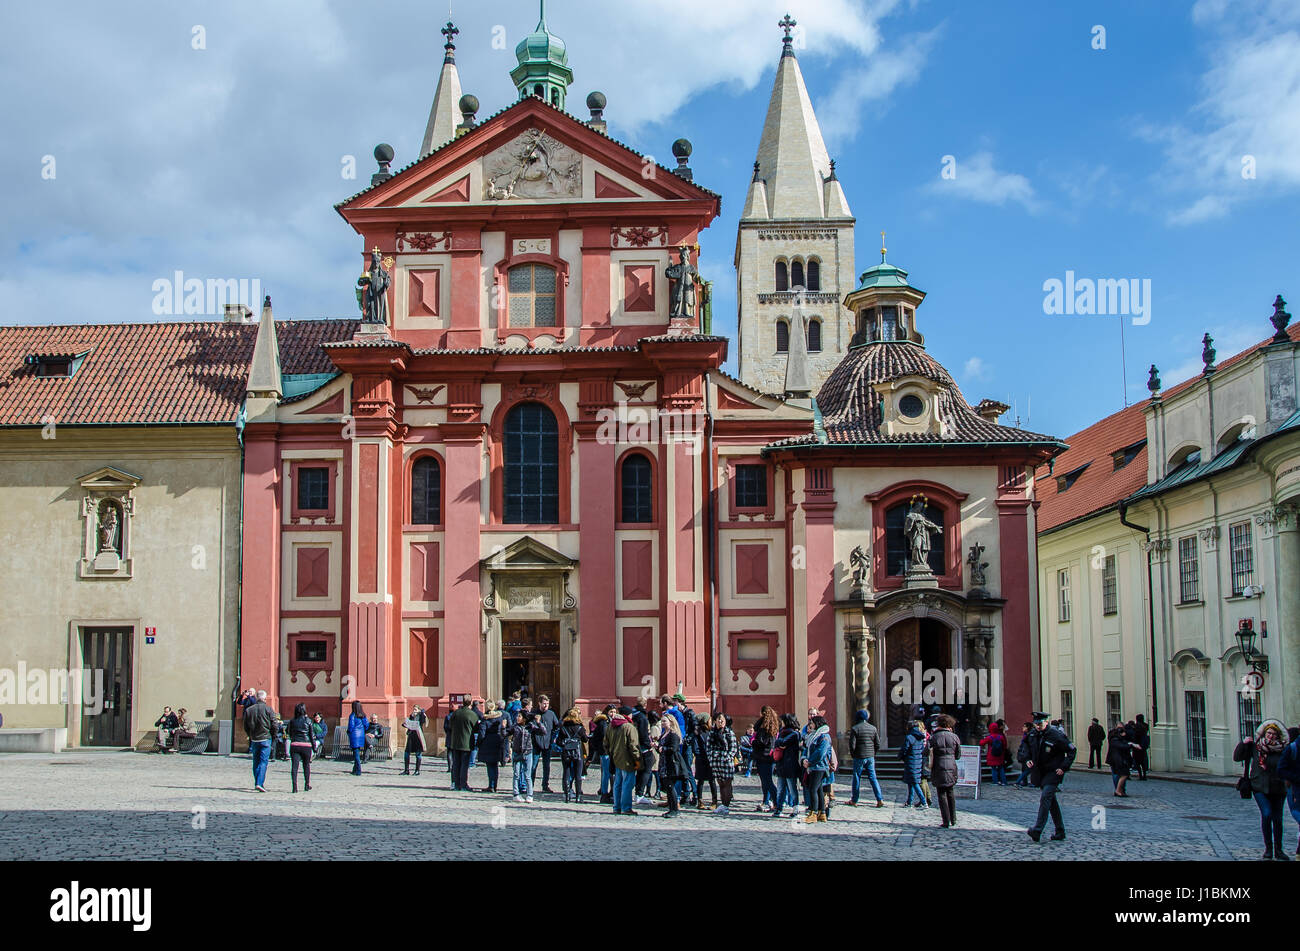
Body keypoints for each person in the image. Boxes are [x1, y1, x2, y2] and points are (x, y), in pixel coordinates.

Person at [1234, 719, 1292, 861]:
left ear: (1278, 736)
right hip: (1259, 786)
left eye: (1273, 734)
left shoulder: (1284, 749)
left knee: (1278, 819)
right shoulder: (1256, 746)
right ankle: (1268, 849)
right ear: (1264, 734)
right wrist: (1243, 743)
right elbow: (1237, 757)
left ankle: (1279, 850)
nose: (1270, 737)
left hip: (1278, 788)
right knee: (1267, 814)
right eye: (1268, 733)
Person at [1025, 710, 1075, 843]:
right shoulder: (1032, 734)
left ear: (1046, 722)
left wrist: (1063, 767)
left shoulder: (1056, 735)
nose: (1038, 726)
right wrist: (1027, 759)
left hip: (1053, 772)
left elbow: (1071, 750)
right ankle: (1060, 831)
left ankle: (1037, 830)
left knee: (1046, 797)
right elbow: (1025, 748)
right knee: (1051, 802)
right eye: (1036, 724)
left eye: (1040, 723)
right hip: (1040, 773)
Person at [606, 706, 641, 815]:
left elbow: (605, 743)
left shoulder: (610, 726)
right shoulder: (629, 727)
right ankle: (626, 808)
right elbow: (633, 745)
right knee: (627, 784)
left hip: (616, 759)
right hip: (628, 760)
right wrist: (638, 760)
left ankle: (617, 807)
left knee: (617, 784)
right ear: (628, 715)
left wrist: (612, 753)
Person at [930, 714, 961, 828]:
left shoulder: (934, 737)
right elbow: (958, 755)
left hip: (938, 767)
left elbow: (926, 752)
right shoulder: (954, 737)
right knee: (950, 792)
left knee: (941, 794)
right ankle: (953, 819)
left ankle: (946, 821)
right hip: (951, 767)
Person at [848, 709, 885, 807]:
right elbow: (877, 744)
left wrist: (853, 755)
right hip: (870, 757)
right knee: (873, 778)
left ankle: (854, 800)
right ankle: (879, 799)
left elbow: (852, 745)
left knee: (856, 778)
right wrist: (873, 753)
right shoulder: (873, 728)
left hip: (859, 757)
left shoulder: (855, 728)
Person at [705, 711, 738, 816]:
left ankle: (726, 805)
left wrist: (727, 757)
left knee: (727, 784)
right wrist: (711, 757)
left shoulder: (729, 733)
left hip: (726, 762)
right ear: (715, 721)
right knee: (721, 784)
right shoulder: (712, 733)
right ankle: (723, 805)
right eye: (718, 719)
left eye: (722, 720)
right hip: (715, 762)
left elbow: (733, 748)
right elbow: (708, 747)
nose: (720, 721)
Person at [772, 714, 803, 818]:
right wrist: (779, 743)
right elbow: (778, 743)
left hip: (790, 765)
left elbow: (781, 742)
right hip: (781, 765)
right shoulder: (782, 732)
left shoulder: (794, 734)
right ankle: (779, 808)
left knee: (792, 789)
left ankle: (795, 809)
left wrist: (779, 742)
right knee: (780, 789)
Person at [528, 694, 560, 793]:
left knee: (546, 766)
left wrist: (554, 737)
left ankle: (545, 785)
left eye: (547, 703)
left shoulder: (551, 714)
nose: (545, 705)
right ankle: (530, 786)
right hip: (536, 743)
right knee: (533, 765)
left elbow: (557, 726)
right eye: (544, 703)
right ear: (539, 703)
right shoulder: (534, 713)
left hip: (547, 743)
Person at [243, 691, 275, 791]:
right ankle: (259, 783)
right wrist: (273, 736)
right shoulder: (268, 709)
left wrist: (250, 735)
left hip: (254, 739)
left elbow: (245, 726)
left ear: (256, 698)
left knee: (256, 761)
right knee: (263, 762)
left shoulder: (249, 710)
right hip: (266, 738)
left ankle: (258, 781)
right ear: (265, 699)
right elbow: (274, 724)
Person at [447, 697, 480, 791]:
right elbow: (476, 729)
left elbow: (450, 726)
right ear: (470, 703)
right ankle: (463, 784)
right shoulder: (472, 714)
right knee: (464, 765)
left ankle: (455, 783)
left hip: (455, 742)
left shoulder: (456, 713)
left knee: (456, 764)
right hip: (467, 743)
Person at [659, 712, 688, 817]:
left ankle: (675, 809)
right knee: (668, 787)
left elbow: (674, 749)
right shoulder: (663, 734)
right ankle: (671, 808)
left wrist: (664, 748)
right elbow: (661, 749)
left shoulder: (673, 734)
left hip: (672, 764)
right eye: (662, 721)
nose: (662, 723)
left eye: (664, 721)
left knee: (671, 787)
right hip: (664, 763)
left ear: (670, 722)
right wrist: (657, 747)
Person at [752, 706, 781, 812]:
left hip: (763, 756)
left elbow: (761, 742)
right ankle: (767, 801)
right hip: (769, 757)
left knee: (767, 781)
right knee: (766, 781)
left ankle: (777, 802)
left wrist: (754, 742)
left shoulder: (763, 728)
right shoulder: (772, 726)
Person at [510, 711, 544, 802]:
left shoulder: (530, 727)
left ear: (524, 719)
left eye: (519, 716)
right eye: (517, 716)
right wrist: (502, 727)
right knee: (516, 774)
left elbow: (543, 732)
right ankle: (516, 794)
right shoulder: (515, 727)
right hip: (517, 753)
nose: (517, 718)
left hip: (527, 753)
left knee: (528, 775)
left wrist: (538, 722)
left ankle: (530, 795)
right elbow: (505, 734)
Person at [557, 707, 589, 803]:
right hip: (577, 752)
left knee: (566, 773)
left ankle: (567, 796)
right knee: (578, 774)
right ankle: (578, 797)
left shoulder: (563, 727)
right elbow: (585, 739)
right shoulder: (579, 728)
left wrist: (564, 743)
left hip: (566, 752)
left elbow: (558, 741)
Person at [477, 701, 509, 793]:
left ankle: (491, 785)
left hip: (488, 743)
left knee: (490, 766)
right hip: (497, 742)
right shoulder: (499, 718)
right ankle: (494, 785)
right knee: (495, 766)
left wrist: (479, 744)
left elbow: (482, 734)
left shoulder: (485, 720)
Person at [900, 719, 928, 808]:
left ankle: (924, 802)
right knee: (911, 782)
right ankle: (909, 802)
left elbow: (904, 749)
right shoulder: (920, 736)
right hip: (918, 761)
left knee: (915, 783)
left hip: (911, 762)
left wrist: (901, 757)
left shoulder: (909, 737)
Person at [588, 706, 614, 804]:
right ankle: (604, 794)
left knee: (607, 773)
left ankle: (606, 793)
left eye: (615, 712)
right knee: (606, 774)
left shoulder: (607, 722)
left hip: (606, 751)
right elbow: (605, 737)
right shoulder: (604, 723)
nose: (613, 714)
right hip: (605, 752)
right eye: (611, 712)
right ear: (607, 712)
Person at [630, 701, 654, 806]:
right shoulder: (642, 717)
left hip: (634, 748)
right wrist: (649, 745)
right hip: (644, 749)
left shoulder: (632, 715)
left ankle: (637, 793)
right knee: (646, 771)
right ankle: (639, 794)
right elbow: (643, 734)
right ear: (644, 705)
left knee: (639, 771)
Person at [692, 713, 718, 810]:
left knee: (712, 781)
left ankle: (714, 802)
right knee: (701, 781)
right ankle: (700, 801)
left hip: (710, 759)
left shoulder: (712, 732)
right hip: (702, 759)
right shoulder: (698, 733)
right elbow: (696, 747)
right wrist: (700, 756)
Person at [287, 703, 314, 793]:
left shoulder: (292, 721)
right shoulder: (308, 721)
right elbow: (311, 735)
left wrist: (294, 739)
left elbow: (289, 733)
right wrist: (314, 747)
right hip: (306, 745)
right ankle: (307, 785)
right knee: (306, 765)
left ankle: (294, 787)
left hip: (295, 745)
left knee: (294, 767)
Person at [1106, 723, 1138, 797]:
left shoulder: (1122, 736)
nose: (1121, 730)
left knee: (1121, 775)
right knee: (1119, 775)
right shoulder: (1114, 736)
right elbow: (1122, 746)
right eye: (1119, 728)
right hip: (1116, 759)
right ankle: (1118, 790)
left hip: (1120, 758)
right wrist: (1129, 744)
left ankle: (1120, 790)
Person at [979, 719, 1009, 786]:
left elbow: (981, 743)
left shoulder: (990, 737)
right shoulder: (1001, 737)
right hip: (1000, 755)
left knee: (994, 769)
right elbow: (1005, 745)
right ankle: (1004, 781)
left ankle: (995, 781)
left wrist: (982, 739)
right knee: (1001, 768)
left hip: (992, 755)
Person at [401, 705, 427, 776]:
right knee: (407, 752)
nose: (414, 711)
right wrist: (407, 723)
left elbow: (423, 722)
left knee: (418, 754)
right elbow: (407, 723)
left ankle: (417, 770)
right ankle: (406, 770)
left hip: (418, 736)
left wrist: (422, 713)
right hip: (411, 736)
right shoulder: (411, 716)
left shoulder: (421, 716)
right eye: (413, 709)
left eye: (415, 709)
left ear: (419, 710)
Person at [346, 701, 367, 776]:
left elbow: (351, 726)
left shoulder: (352, 715)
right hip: (361, 735)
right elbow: (366, 725)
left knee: (356, 754)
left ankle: (358, 770)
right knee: (357, 752)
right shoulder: (363, 715)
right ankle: (354, 769)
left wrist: (348, 732)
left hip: (354, 736)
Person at [1014, 721, 1034, 788]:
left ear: (1028, 727)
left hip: (1026, 754)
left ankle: (1022, 782)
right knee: (1027, 769)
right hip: (1025, 754)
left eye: (1024, 726)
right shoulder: (1026, 735)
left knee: (1027, 769)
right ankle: (1018, 782)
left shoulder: (1029, 735)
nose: (1023, 727)